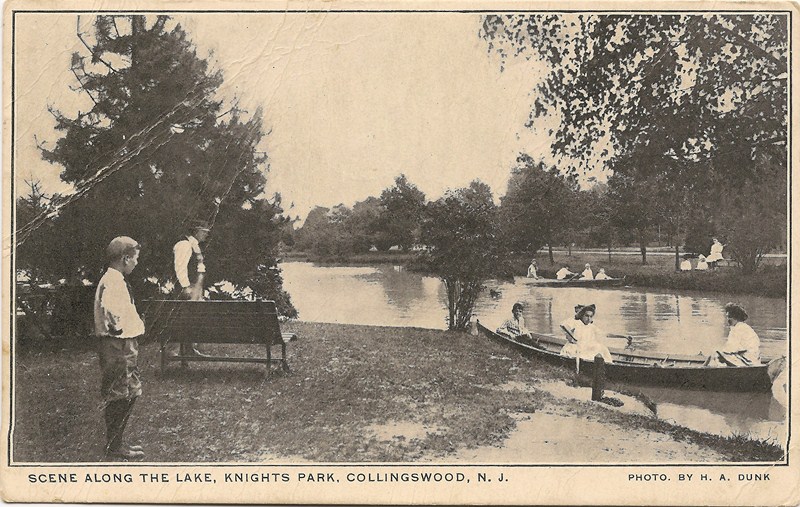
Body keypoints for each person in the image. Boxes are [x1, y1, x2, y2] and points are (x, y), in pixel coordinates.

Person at [94, 237, 145, 460]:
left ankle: (117, 442)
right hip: (118, 345)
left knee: (129, 392)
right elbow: (111, 311)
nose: (136, 263)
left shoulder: (116, 279)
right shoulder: (113, 281)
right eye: (135, 259)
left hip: (124, 343)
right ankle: (114, 446)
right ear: (125, 258)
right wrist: (120, 333)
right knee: (119, 394)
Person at [173, 220, 210, 356]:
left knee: (192, 319)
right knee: (185, 318)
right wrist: (186, 287)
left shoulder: (194, 245)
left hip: (195, 288)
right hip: (187, 289)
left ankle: (189, 348)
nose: (206, 235)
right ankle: (176, 351)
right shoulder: (184, 244)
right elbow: (180, 268)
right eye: (204, 232)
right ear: (197, 231)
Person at [705, 303, 761, 367]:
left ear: (735, 317)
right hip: (753, 360)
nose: (727, 320)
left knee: (715, 353)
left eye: (729, 317)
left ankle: (702, 368)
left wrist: (718, 353)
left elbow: (730, 349)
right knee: (717, 355)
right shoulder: (743, 327)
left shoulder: (738, 329)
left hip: (748, 362)